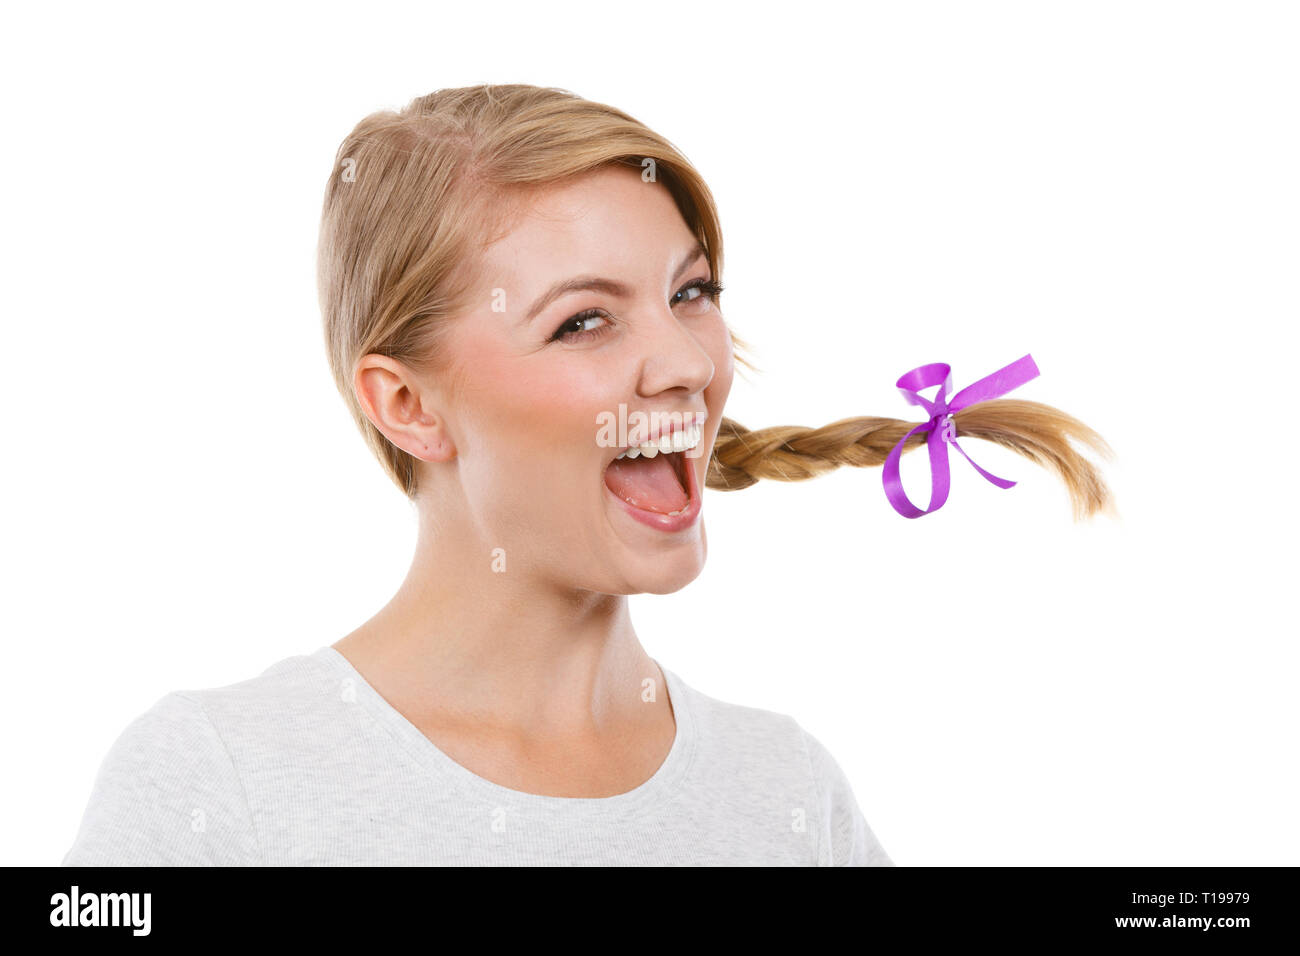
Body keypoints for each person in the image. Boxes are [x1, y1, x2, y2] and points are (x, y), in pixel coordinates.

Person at [63, 84, 1111, 866]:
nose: (691, 364)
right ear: (407, 404)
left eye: (690, 291)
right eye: (585, 319)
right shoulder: (219, 782)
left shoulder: (786, 793)